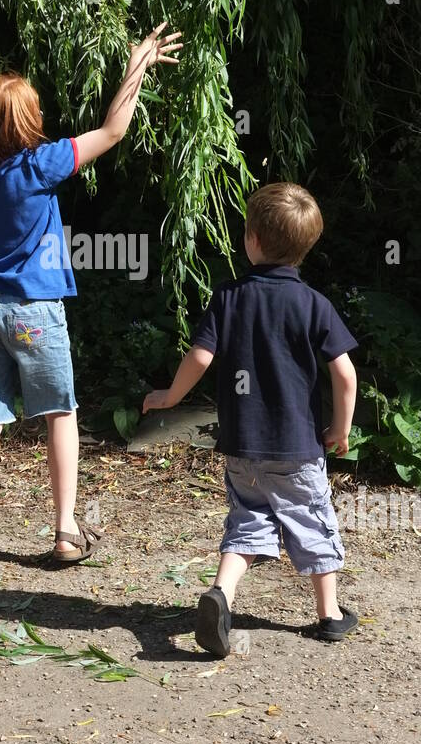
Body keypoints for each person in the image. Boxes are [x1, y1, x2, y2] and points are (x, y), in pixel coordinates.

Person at [0, 21, 183, 579]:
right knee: (60, 415)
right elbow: (114, 130)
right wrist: (138, 61)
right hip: (33, 313)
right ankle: (67, 532)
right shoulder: (37, 168)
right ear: (24, 122)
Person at [143, 182, 359, 653]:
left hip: (242, 446)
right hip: (297, 448)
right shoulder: (313, 305)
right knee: (312, 520)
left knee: (248, 520)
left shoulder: (230, 297)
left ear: (252, 240)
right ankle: (329, 614)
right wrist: (340, 429)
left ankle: (221, 593)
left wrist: (170, 397)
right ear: (304, 249)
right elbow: (344, 375)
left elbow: (200, 357)